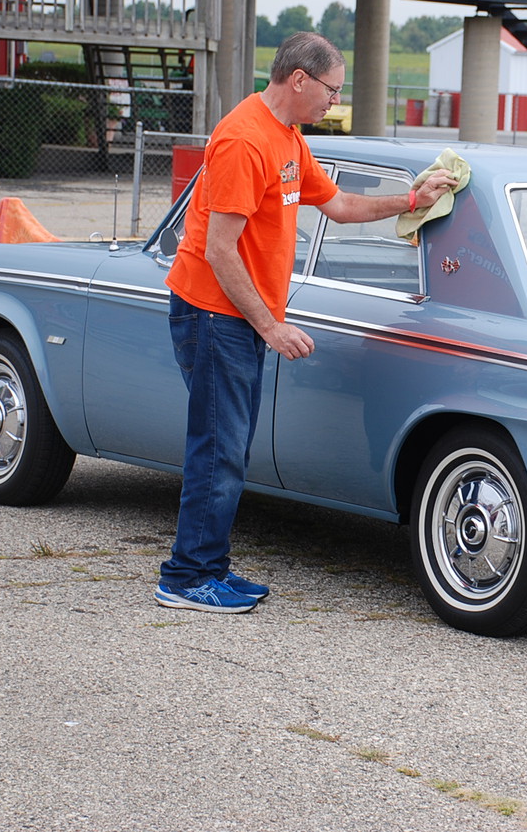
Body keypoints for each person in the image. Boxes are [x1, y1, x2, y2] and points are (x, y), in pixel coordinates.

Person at [156, 32, 461, 614]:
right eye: (331, 90)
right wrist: (271, 326)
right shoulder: (246, 140)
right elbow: (221, 250)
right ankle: (186, 577)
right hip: (214, 315)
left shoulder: (288, 137)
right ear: (299, 79)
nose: (334, 103)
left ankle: (206, 565)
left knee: (227, 447)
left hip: (235, 317)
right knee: (218, 449)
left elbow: (340, 206)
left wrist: (412, 199)